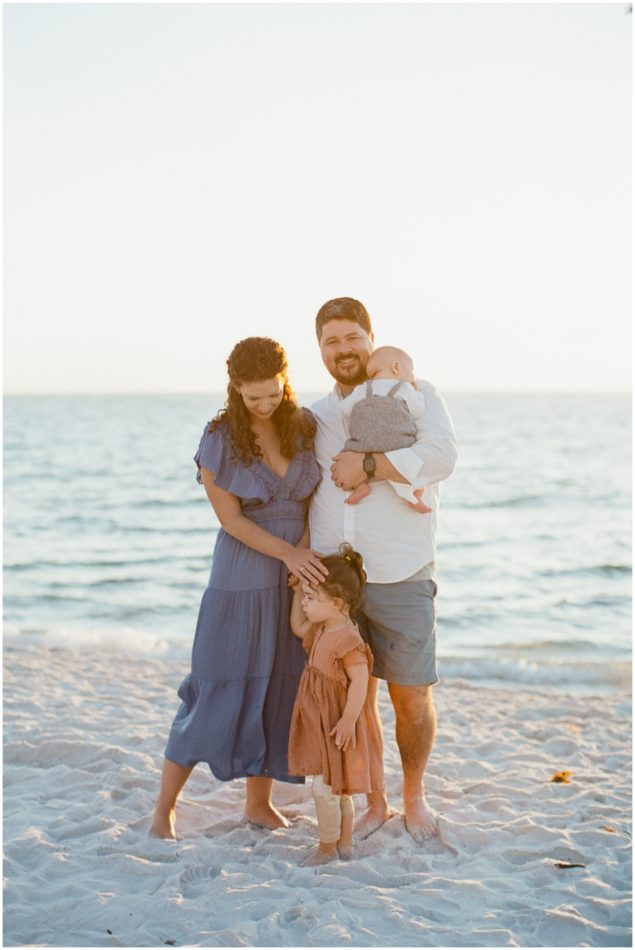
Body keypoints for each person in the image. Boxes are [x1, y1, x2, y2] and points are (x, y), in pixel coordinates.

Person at [150, 337, 327, 839]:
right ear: (236, 390)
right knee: (216, 685)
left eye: (273, 393)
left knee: (278, 685)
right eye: (254, 398)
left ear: (284, 380)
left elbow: (317, 502)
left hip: (297, 571)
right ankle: (164, 810)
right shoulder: (220, 436)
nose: (265, 404)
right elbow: (229, 520)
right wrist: (289, 552)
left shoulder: (305, 426)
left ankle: (258, 805)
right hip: (242, 574)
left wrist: (306, 554)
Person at [309, 297, 458, 843]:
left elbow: (442, 457)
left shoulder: (417, 394)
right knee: (355, 693)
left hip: (402, 570)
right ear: (320, 349)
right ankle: (375, 801)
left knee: (411, 694)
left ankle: (414, 799)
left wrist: (369, 465)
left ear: (371, 340)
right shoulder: (319, 415)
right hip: (337, 581)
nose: (343, 349)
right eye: (332, 341)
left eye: (352, 338)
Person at [287, 544, 383, 866]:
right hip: (322, 720)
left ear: (337, 603)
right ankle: (344, 845)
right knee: (337, 788)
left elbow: (360, 682)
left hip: (338, 721)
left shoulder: (347, 639)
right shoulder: (321, 628)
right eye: (305, 597)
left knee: (326, 789)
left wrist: (348, 721)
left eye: (312, 599)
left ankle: (328, 848)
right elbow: (297, 626)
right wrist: (298, 588)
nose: (305, 604)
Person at [341, 345, 432, 513]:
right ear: (396, 367)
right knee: (407, 465)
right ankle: (413, 495)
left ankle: (360, 486)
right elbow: (418, 411)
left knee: (345, 455)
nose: (413, 377)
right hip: (397, 445)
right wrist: (417, 393)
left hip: (363, 445)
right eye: (411, 371)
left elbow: (345, 409)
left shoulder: (363, 389)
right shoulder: (404, 388)